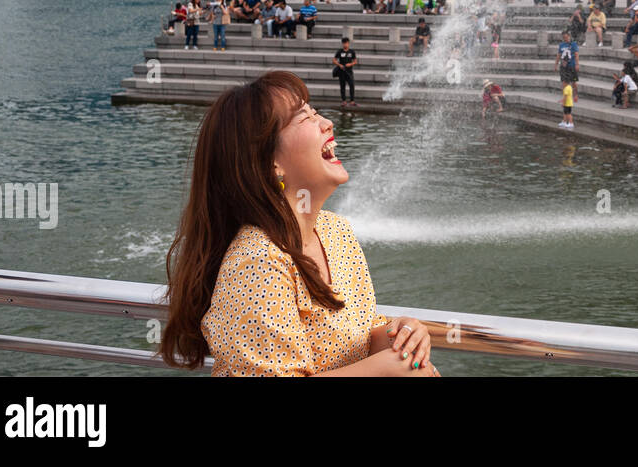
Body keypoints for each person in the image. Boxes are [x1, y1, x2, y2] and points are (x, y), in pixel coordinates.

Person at [159, 72, 436, 376]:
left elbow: (353, 340)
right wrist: (384, 369)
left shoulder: (335, 232)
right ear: (268, 162)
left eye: (315, 111)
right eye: (304, 118)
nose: (327, 123)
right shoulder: (258, 261)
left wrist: (400, 335)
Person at [333, 38, 358, 107]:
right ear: (342, 44)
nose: (345, 44)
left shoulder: (351, 52)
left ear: (348, 43)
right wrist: (339, 65)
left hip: (349, 72)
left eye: (346, 43)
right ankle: (344, 101)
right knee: (342, 86)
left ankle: (352, 101)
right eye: (344, 43)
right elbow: (334, 60)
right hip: (342, 72)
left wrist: (350, 64)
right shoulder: (340, 52)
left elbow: (355, 61)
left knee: (351, 85)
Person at [555, 29, 580, 101]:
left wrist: (577, 64)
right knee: (564, 82)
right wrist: (556, 64)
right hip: (563, 66)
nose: (565, 39)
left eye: (566, 37)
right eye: (564, 37)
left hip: (571, 65)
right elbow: (559, 55)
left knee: (573, 82)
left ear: (569, 36)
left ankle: (575, 95)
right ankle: (565, 97)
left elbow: (576, 54)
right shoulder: (561, 45)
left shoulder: (573, 44)